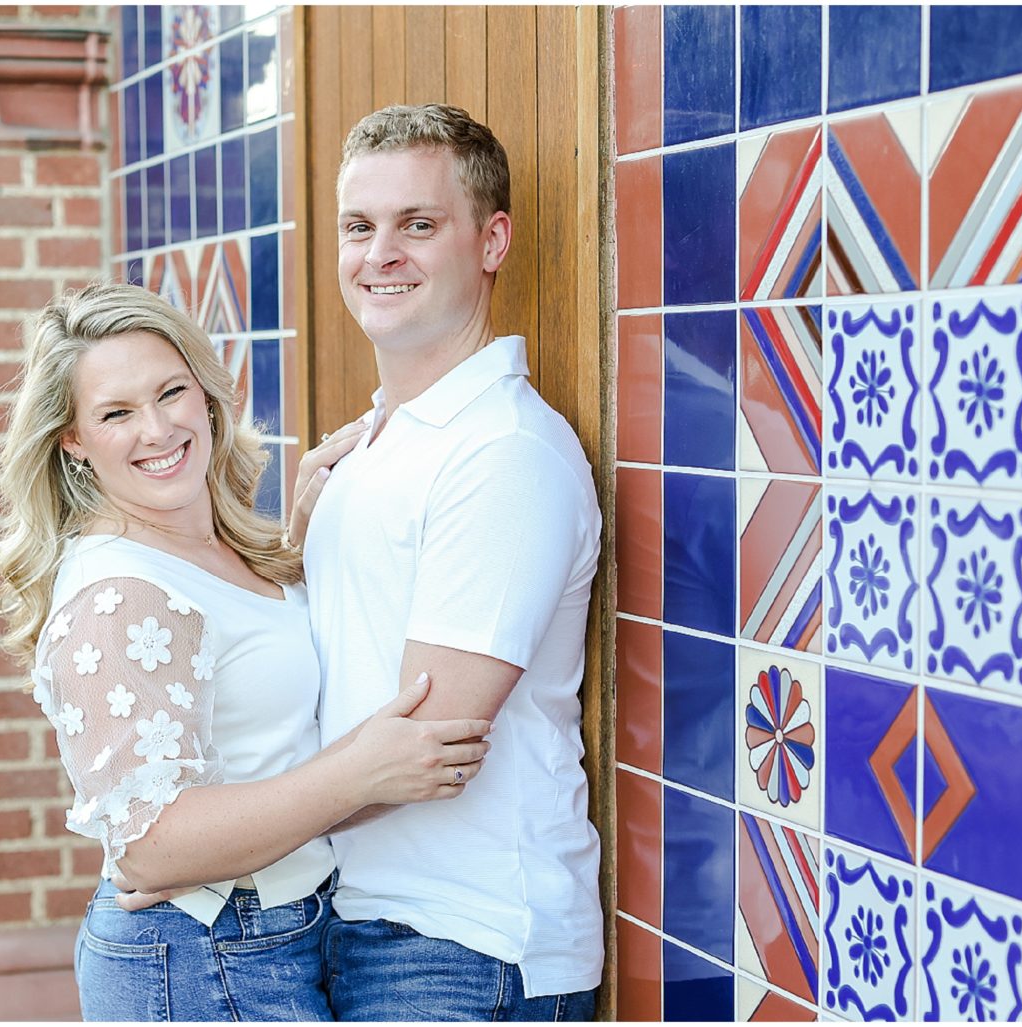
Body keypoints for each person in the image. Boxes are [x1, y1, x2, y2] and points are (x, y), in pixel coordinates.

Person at [0, 282, 493, 1022]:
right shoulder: (118, 591)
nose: (157, 429)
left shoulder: (219, 546)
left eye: (170, 392)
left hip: (276, 934)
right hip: (200, 956)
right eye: (116, 413)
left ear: (205, 391)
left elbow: (251, 711)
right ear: (73, 439)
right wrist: (359, 771)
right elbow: (153, 850)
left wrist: (308, 541)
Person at [300, 104, 604, 1021]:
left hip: (463, 946)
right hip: (357, 912)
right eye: (360, 227)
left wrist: (201, 831)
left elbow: (419, 752)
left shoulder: (502, 453)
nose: (379, 253)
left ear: (491, 241)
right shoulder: (377, 448)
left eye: (417, 225)